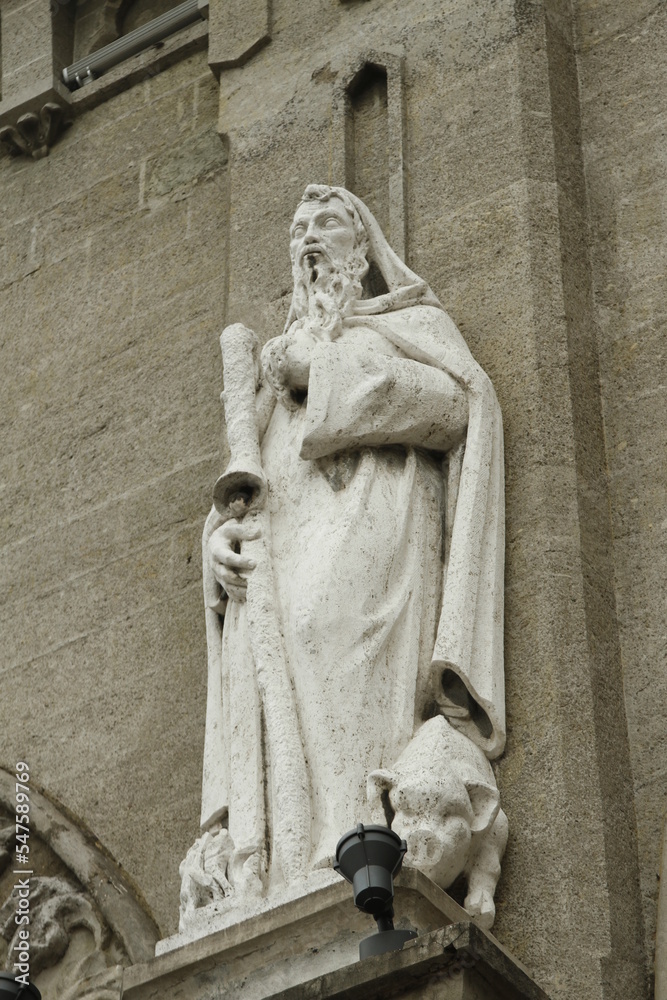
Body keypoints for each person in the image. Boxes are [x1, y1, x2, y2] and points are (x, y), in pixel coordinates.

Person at [195, 184, 505, 910]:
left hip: (373, 547)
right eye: (298, 225)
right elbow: (248, 480)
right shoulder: (270, 366)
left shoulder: (405, 324)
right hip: (278, 558)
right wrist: (218, 545)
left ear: (360, 247)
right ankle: (276, 867)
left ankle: (357, 844)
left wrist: (325, 374)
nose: (309, 234)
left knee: (339, 654)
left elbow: (457, 406)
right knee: (280, 681)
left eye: (327, 222)